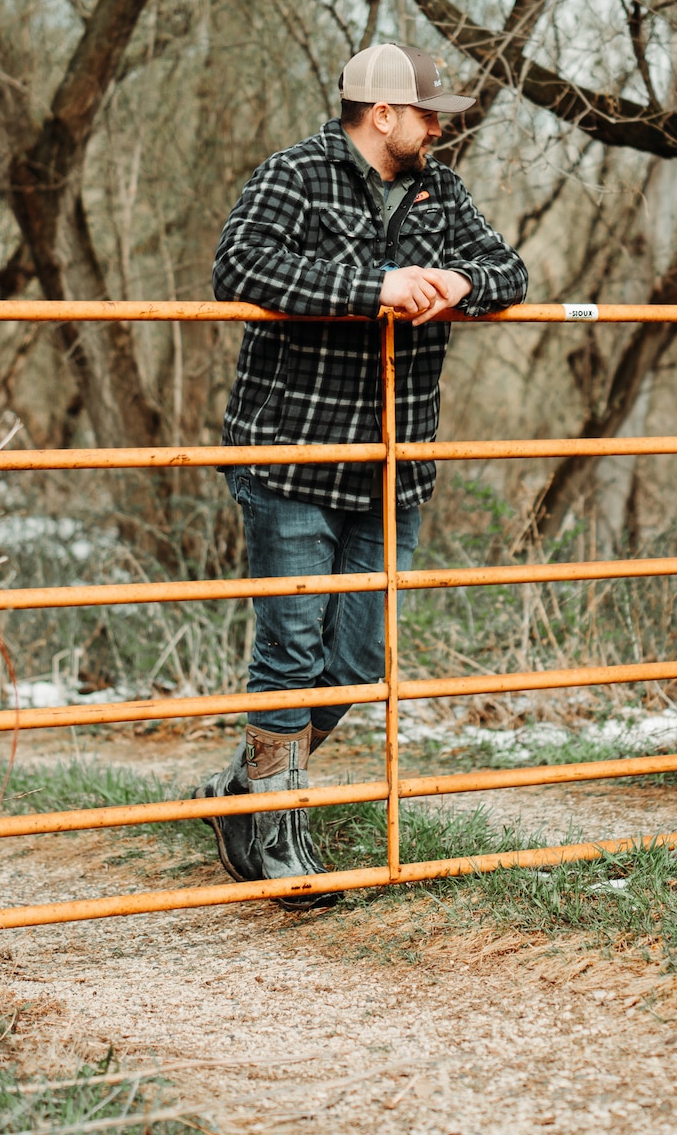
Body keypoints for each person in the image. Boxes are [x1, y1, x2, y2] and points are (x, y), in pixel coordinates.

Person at [199, 44, 529, 906]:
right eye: (428, 114)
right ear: (383, 115)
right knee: (292, 646)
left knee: (359, 654)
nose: (438, 128)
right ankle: (272, 834)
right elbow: (241, 267)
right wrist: (372, 285)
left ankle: (246, 791)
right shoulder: (294, 175)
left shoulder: (440, 191)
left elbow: (511, 272)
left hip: (393, 458)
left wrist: (461, 278)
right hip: (293, 451)